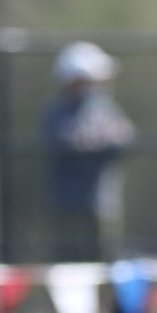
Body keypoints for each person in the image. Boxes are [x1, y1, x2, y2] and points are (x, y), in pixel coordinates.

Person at [43, 41, 133, 263]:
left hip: (104, 203)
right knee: (71, 265)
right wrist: (94, 143)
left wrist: (94, 143)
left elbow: (124, 138)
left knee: (106, 264)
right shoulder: (58, 112)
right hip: (68, 204)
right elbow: (67, 142)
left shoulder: (105, 109)